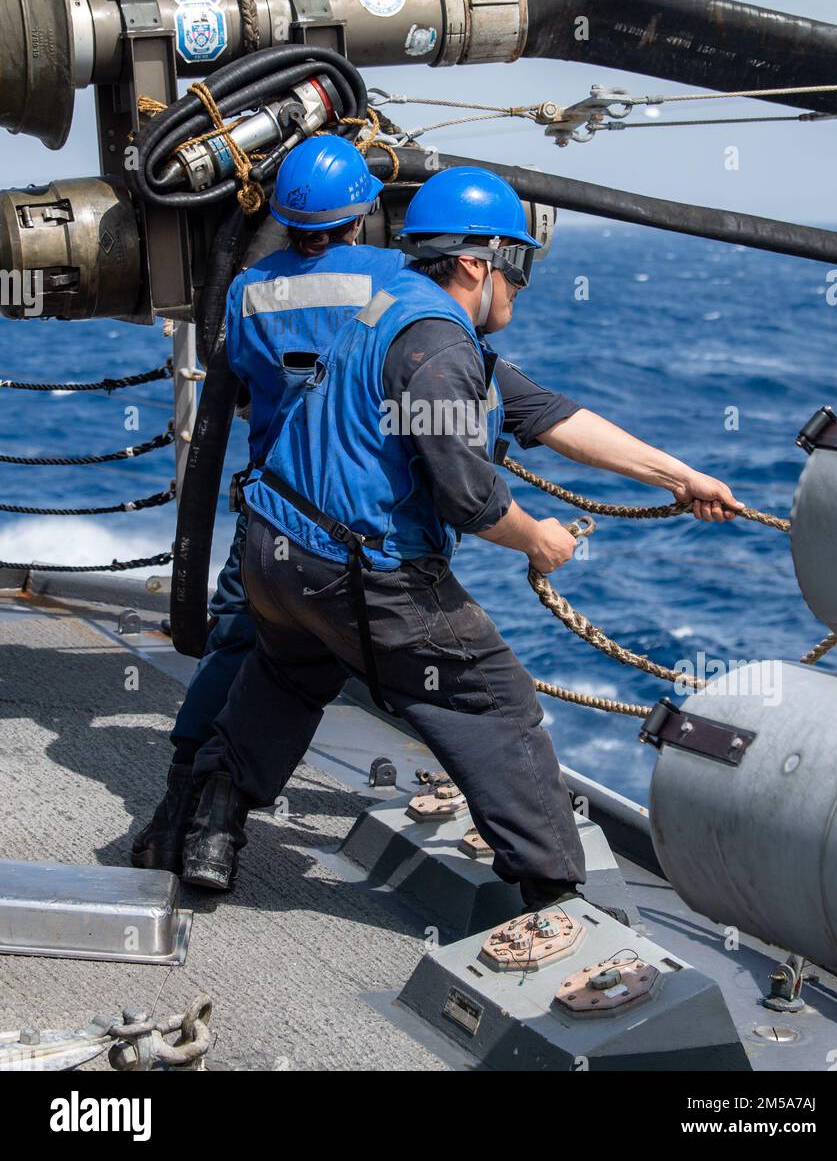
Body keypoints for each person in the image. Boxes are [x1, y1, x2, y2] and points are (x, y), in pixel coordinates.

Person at [183, 167, 742, 902]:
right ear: (480, 263)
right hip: (358, 572)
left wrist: (678, 476)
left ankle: (210, 827)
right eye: (518, 266)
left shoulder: (394, 308)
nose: (520, 286)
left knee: (289, 675)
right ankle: (553, 892)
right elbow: (466, 496)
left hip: (276, 555)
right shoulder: (438, 348)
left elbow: (544, 413)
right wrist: (539, 539)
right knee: (493, 703)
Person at [130, 134, 405, 873]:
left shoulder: (249, 291)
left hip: (269, 511)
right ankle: (222, 828)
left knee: (233, 645)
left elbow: (249, 385)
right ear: (365, 210)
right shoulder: (395, 277)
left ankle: (173, 816)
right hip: (353, 519)